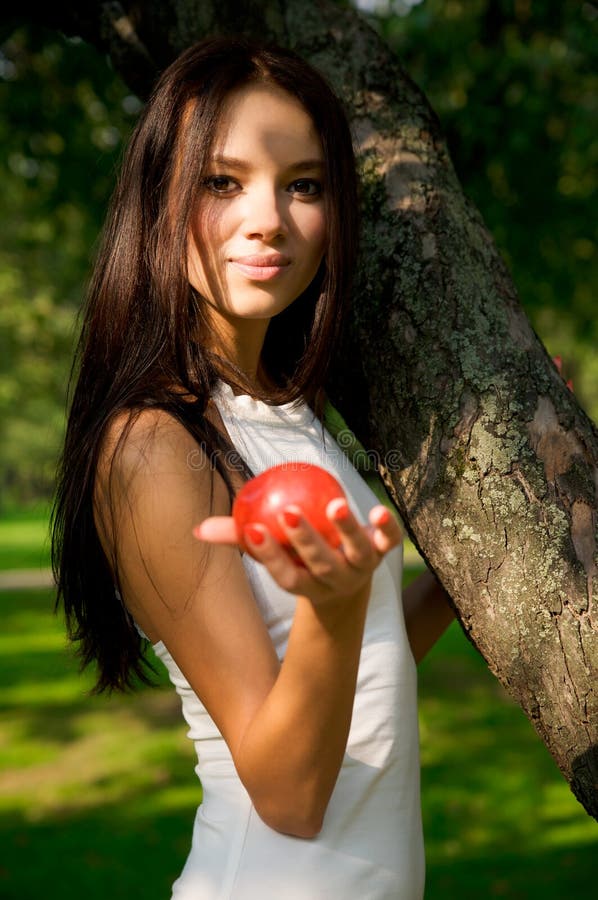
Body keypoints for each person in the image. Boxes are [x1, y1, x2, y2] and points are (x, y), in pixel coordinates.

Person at [51, 34, 455, 899]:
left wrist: (456, 582)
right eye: (222, 182)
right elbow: (289, 794)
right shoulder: (155, 446)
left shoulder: (287, 408)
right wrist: (335, 608)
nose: (267, 218)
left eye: (303, 184)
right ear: (159, 198)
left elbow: (364, 668)